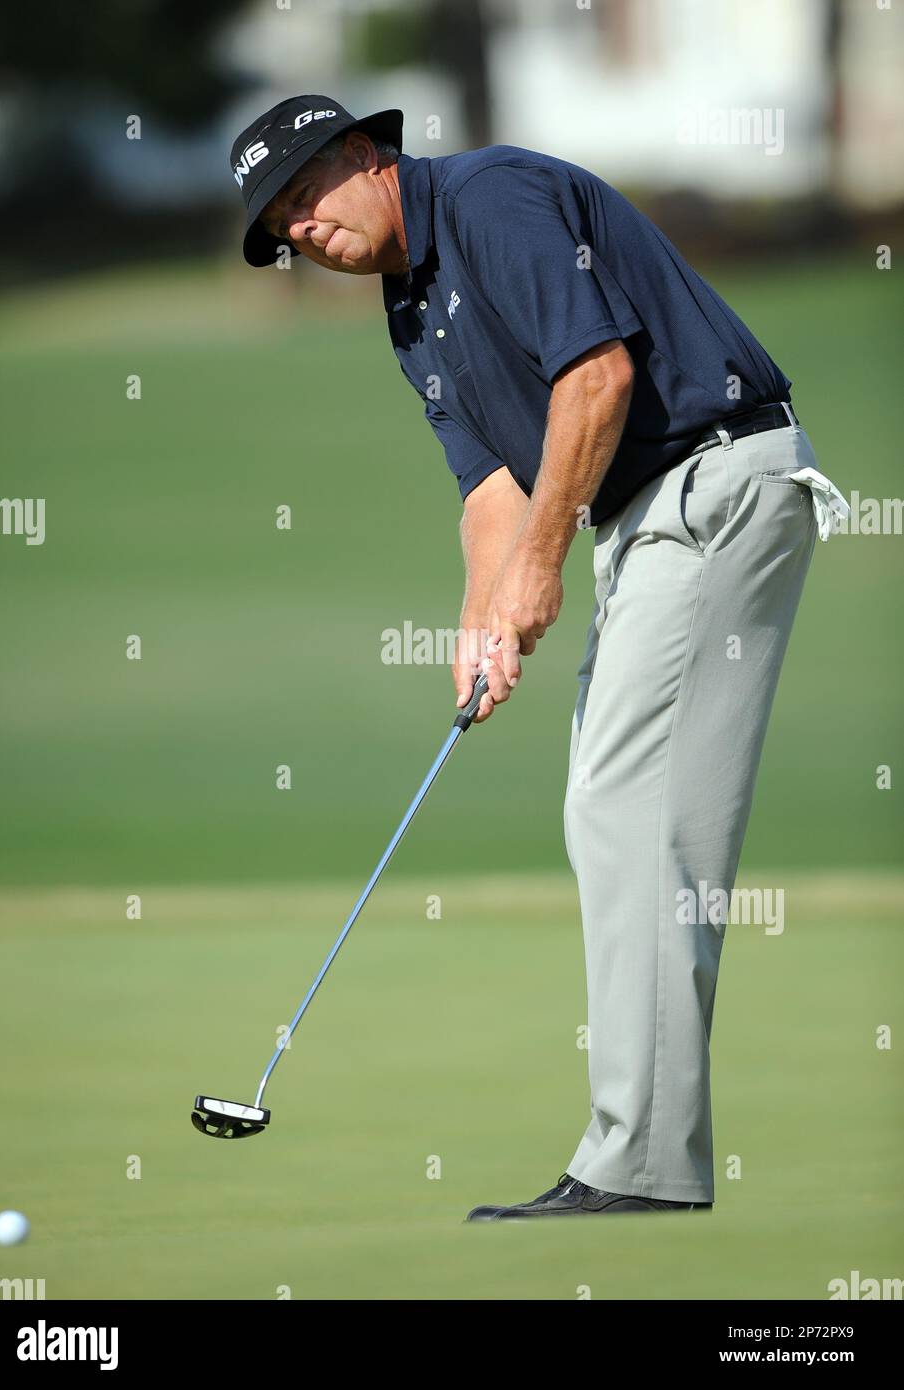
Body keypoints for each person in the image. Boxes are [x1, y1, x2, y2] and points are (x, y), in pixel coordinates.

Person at [229, 94, 847, 1219]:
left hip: (711, 484)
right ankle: (643, 1157)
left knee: (626, 807)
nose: (303, 232)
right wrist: (483, 610)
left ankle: (640, 1165)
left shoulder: (491, 199)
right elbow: (490, 491)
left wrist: (540, 568)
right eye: (282, 229)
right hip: (655, 519)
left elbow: (597, 377)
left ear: (366, 156)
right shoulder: (408, 312)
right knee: (621, 811)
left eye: (306, 196)